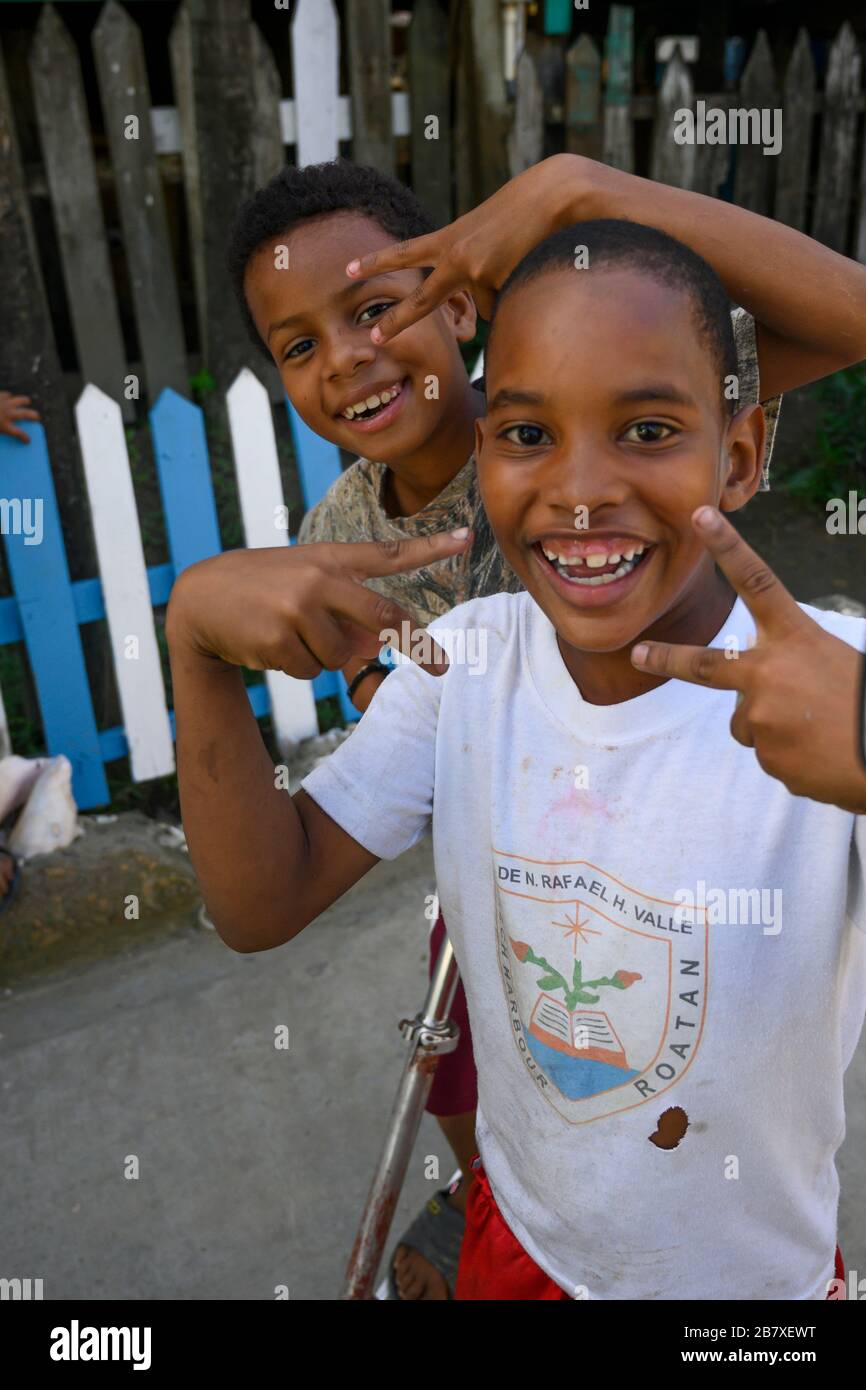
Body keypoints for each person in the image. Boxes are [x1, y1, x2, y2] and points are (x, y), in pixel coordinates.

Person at [169, 217, 866, 1300]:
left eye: (644, 428)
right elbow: (258, 906)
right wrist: (194, 645)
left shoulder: (836, 683)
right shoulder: (462, 666)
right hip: (521, 1248)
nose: (579, 489)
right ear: (484, 448)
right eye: (527, 435)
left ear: (735, 455)